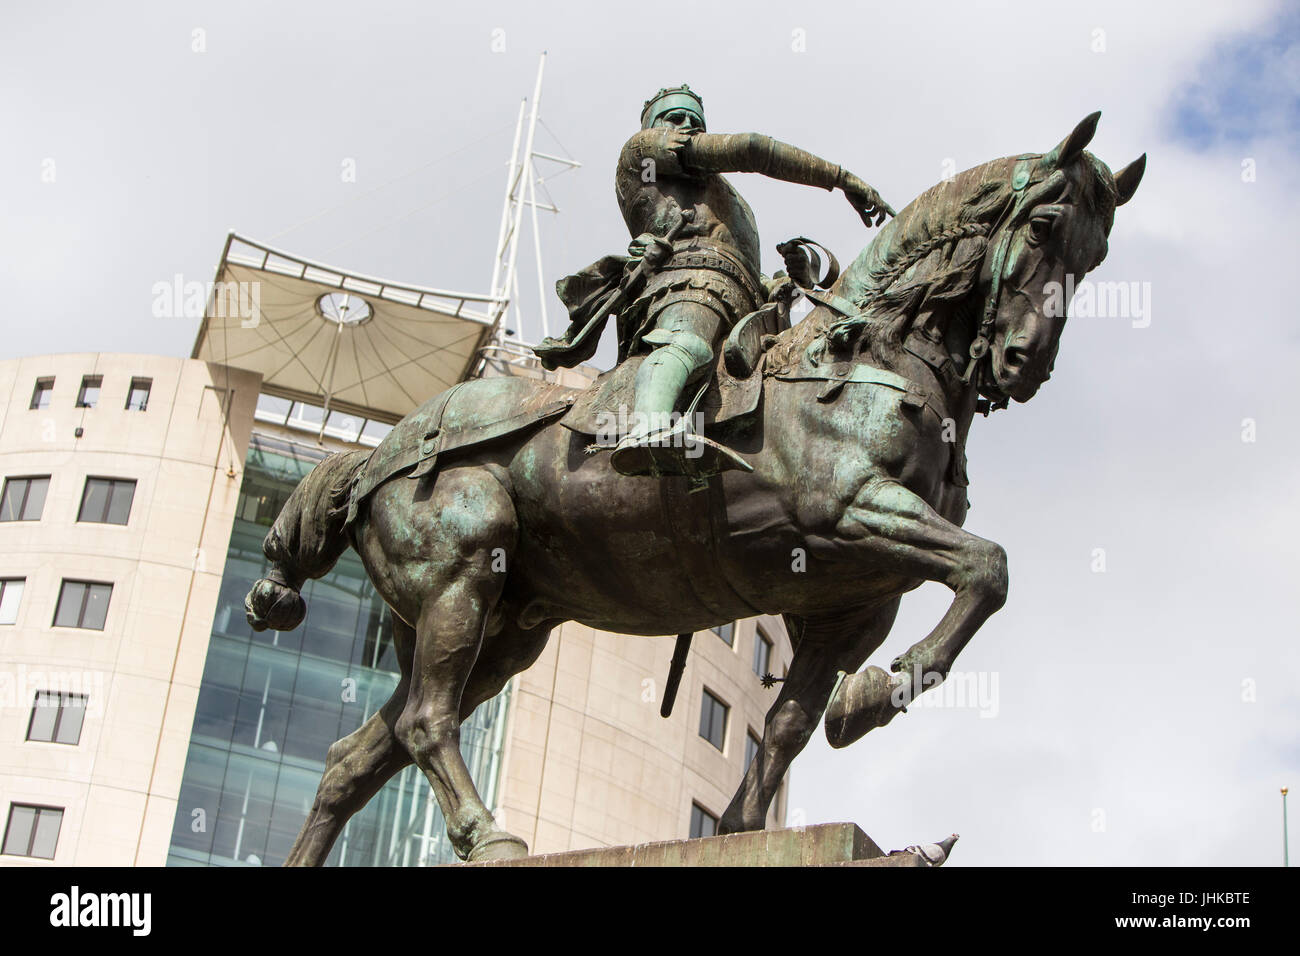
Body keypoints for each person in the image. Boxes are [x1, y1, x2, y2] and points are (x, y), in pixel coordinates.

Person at [534, 84, 894, 477]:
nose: (687, 125)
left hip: (742, 302)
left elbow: (745, 268)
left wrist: (789, 282)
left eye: (695, 120)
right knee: (689, 342)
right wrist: (841, 178)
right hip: (683, 285)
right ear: (653, 125)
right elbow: (755, 149)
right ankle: (648, 428)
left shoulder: (733, 203)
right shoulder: (642, 151)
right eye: (675, 117)